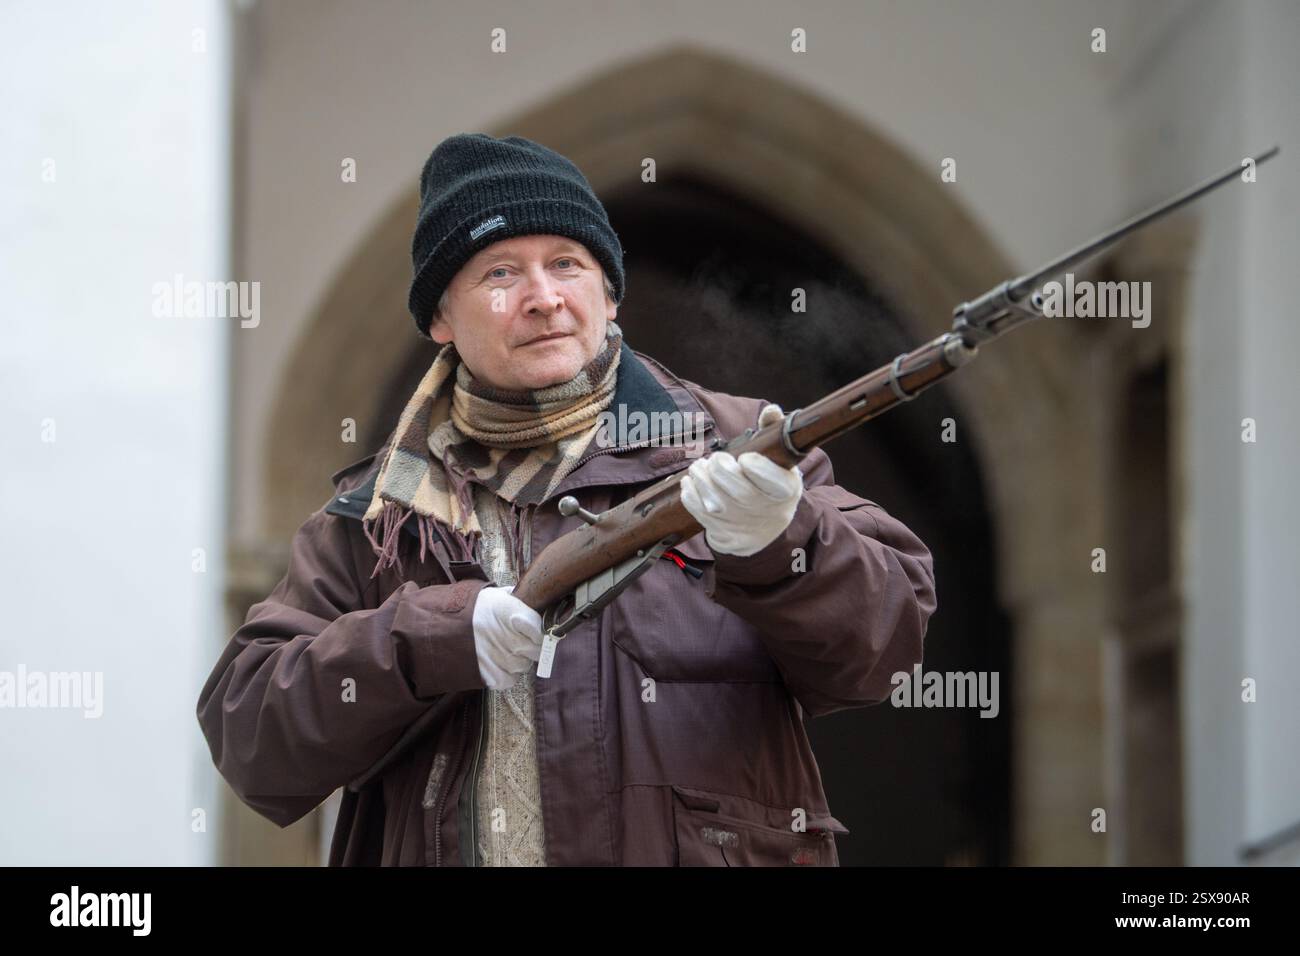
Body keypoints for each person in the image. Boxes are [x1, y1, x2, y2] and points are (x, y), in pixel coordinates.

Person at [196, 133, 937, 866]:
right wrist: (426, 643)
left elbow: (882, 655)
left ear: (608, 294)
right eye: (499, 273)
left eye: (566, 265)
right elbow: (253, 741)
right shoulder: (380, 511)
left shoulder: (739, 445)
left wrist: (786, 541)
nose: (543, 299)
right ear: (440, 320)